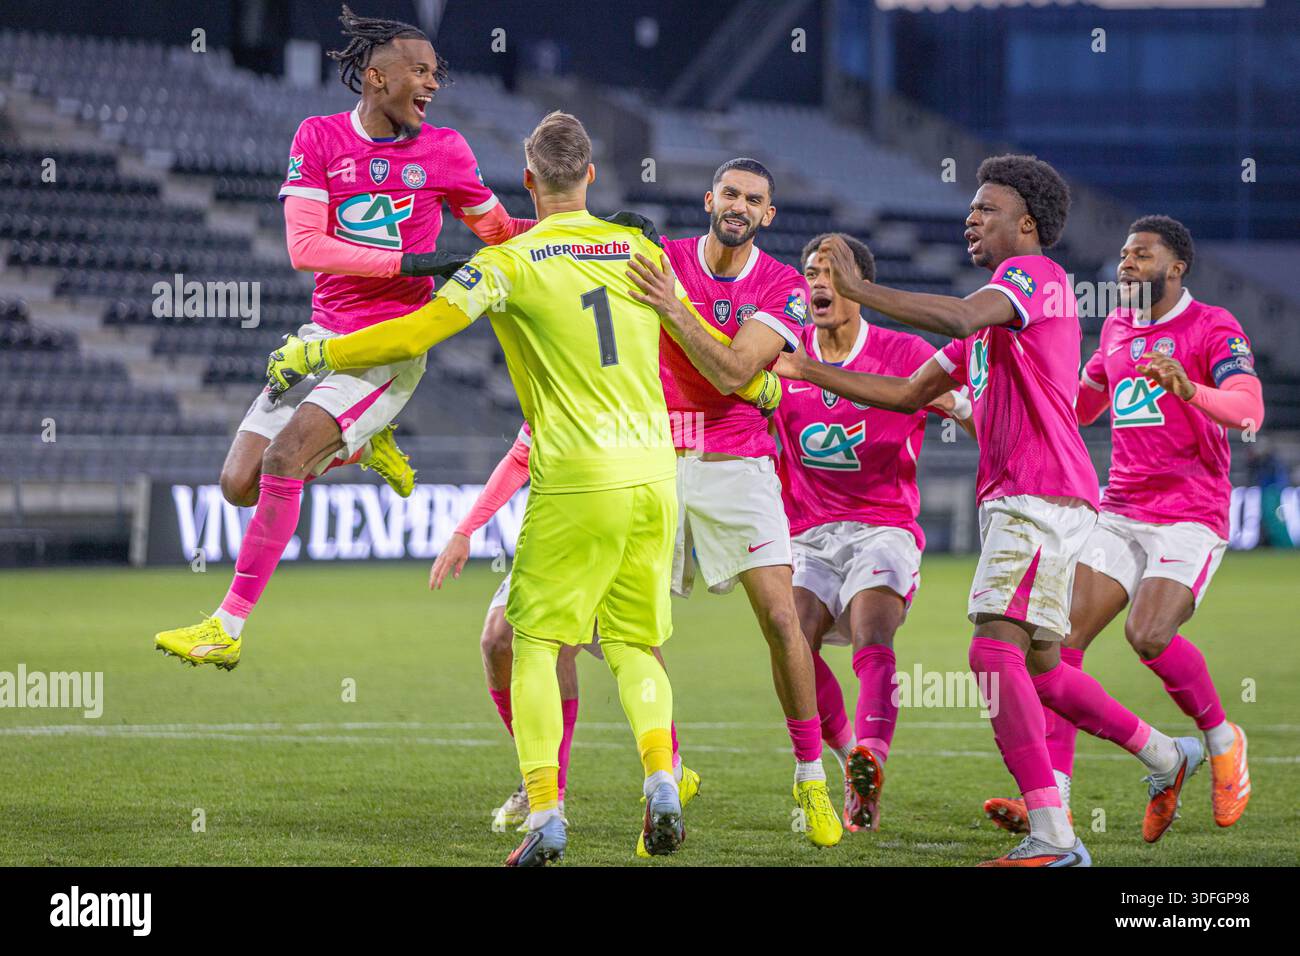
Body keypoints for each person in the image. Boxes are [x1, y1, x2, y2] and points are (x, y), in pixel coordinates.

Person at [776, 156, 1202, 866]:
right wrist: (805, 370)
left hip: (1036, 494)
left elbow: (960, 311)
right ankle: (1166, 755)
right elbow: (907, 394)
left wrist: (862, 288)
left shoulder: (1035, 278)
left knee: (989, 651)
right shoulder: (988, 325)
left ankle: (1054, 835)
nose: (971, 218)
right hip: (1031, 495)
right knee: (1043, 668)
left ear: (1026, 224)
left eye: (987, 209)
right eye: (971, 209)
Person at [155, 6, 533, 669]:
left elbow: (499, 230)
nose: (433, 85)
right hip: (322, 332)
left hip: (389, 346)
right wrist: (413, 263)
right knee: (237, 482)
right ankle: (365, 447)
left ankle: (226, 627)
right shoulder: (320, 137)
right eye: (420, 72)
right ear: (375, 76)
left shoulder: (445, 151)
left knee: (283, 460)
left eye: (436, 74)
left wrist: (582, 231)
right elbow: (305, 247)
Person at [984, 215, 1260, 838]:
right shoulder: (1114, 327)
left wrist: (1190, 388)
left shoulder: (1213, 325)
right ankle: (1051, 800)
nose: (1127, 265)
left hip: (1190, 511)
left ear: (1177, 266)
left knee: (1148, 634)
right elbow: (1082, 404)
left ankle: (1221, 739)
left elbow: (1250, 409)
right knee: (1057, 645)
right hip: (1121, 507)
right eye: (1124, 255)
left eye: (1141, 255)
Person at [625, 158, 843, 848]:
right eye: (731, 194)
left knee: (782, 620)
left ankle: (811, 780)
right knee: (636, 631)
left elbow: (731, 371)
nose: (740, 206)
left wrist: (672, 307)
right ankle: (671, 769)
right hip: (655, 460)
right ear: (709, 198)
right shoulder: (658, 259)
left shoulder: (782, 284)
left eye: (754, 199)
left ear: (768, 214)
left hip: (736, 464)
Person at [776, 233, 973, 831]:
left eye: (833, 273)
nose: (818, 284)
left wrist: (1010, 459)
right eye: (811, 272)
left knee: (871, 633)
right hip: (808, 533)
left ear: (861, 286)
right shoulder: (779, 350)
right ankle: (847, 761)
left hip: (883, 527)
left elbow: (970, 412)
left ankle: (872, 758)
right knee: (793, 641)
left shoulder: (902, 352)